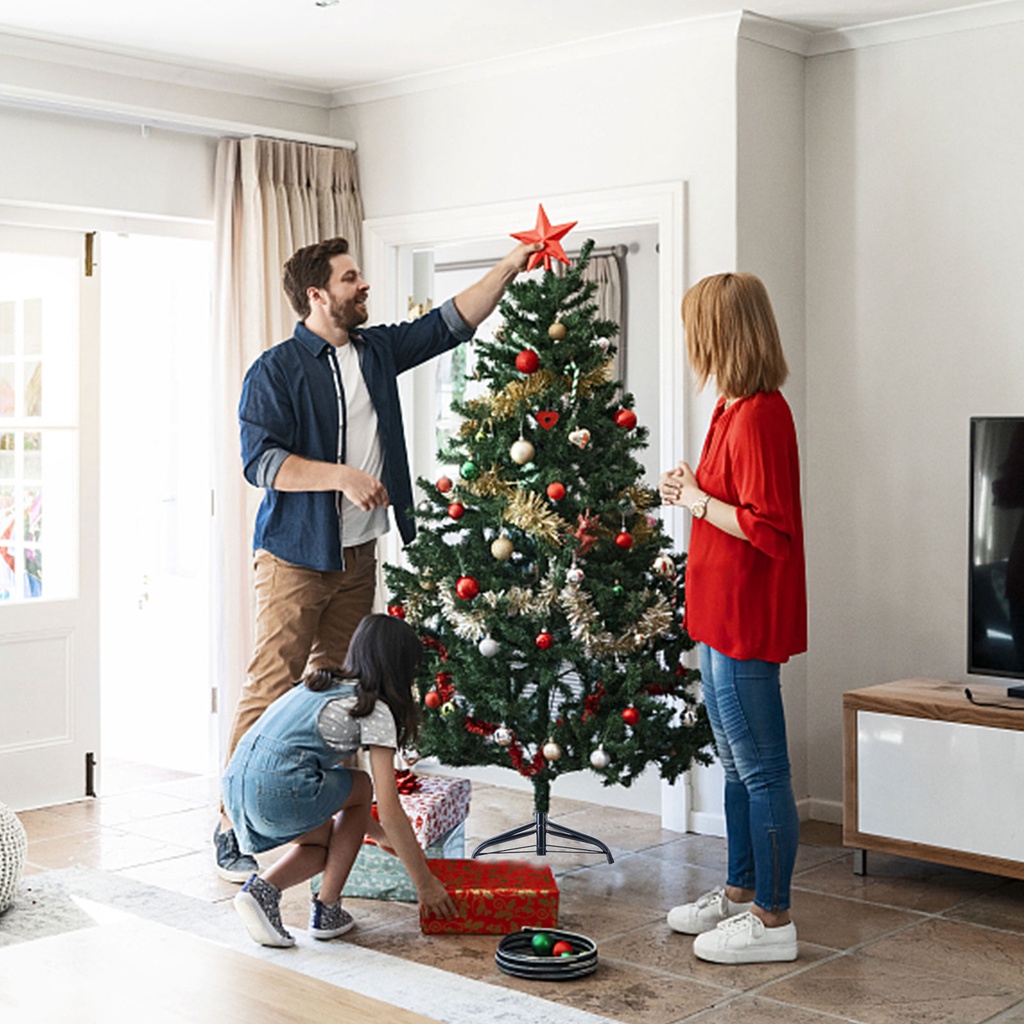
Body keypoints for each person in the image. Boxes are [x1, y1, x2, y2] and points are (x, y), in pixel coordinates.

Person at [215, 235, 539, 879]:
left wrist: (506, 266)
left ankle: (328, 821)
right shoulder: (275, 370)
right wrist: (340, 476)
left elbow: (451, 321)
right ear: (317, 294)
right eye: (350, 278)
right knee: (272, 683)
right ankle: (230, 822)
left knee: (339, 687)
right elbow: (263, 463)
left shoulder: (378, 350)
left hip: (358, 554)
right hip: (292, 557)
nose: (362, 287)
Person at [659, 272, 806, 965]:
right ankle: (742, 893)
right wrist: (692, 489)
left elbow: (769, 529)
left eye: (698, 328)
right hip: (718, 614)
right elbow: (729, 501)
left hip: (745, 617)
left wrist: (694, 501)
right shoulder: (730, 408)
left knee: (763, 769)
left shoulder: (759, 414)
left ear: (722, 332)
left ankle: (774, 920)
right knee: (736, 767)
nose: (692, 343)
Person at [223, 612, 460, 946]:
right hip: (277, 790)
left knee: (324, 844)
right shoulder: (376, 711)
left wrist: (377, 835)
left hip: (236, 789)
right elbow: (389, 809)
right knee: (361, 784)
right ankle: (328, 905)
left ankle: (262, 890)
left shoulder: (320, 682)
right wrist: (425, 883)